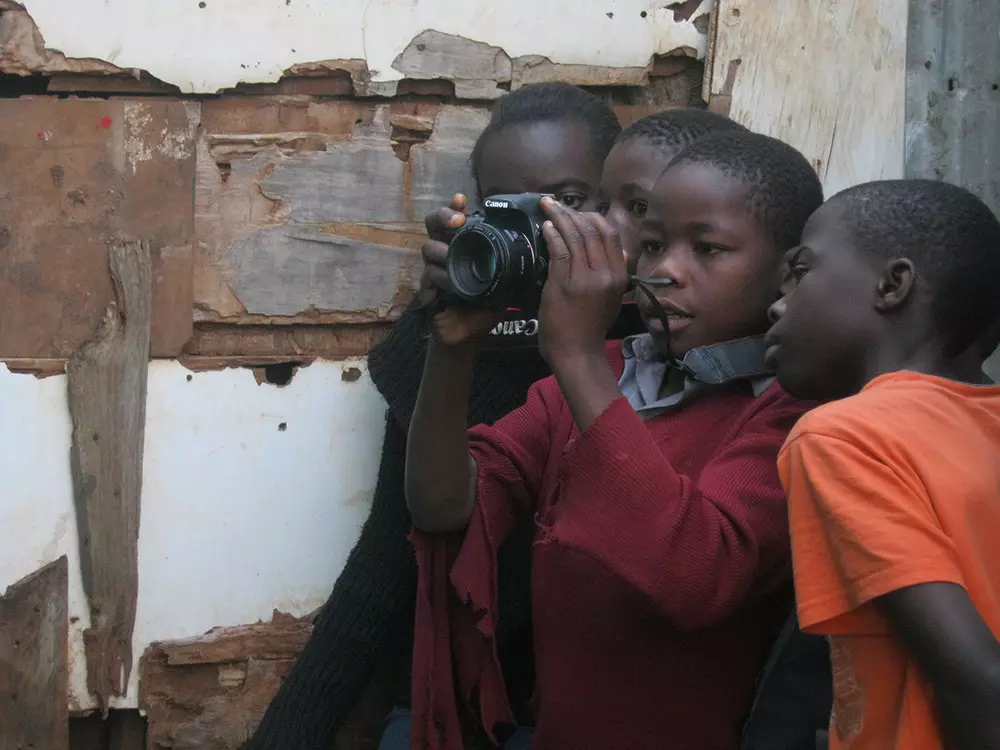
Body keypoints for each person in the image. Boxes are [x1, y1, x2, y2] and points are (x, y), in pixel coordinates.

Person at [406, 130, 824, 749]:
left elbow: (693, 575)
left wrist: (574, 355)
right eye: (652, 244)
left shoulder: (792, 416)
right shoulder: (605, 376)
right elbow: (441, 505)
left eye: (707, 249)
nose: (664, 270)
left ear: (787, 274)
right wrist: (453, 347)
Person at [244, 81, 620, 750]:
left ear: (620, 210)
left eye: (571, 201)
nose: (545, 228)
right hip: (462, 699)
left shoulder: (657, 339)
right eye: (516, 208)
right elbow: (391, 559)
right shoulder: (448, 337)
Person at [765, 179, 1000, 749]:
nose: (776, 303)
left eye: (801, 271)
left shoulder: (845, 436)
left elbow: (980, 686)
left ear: (892, 284)